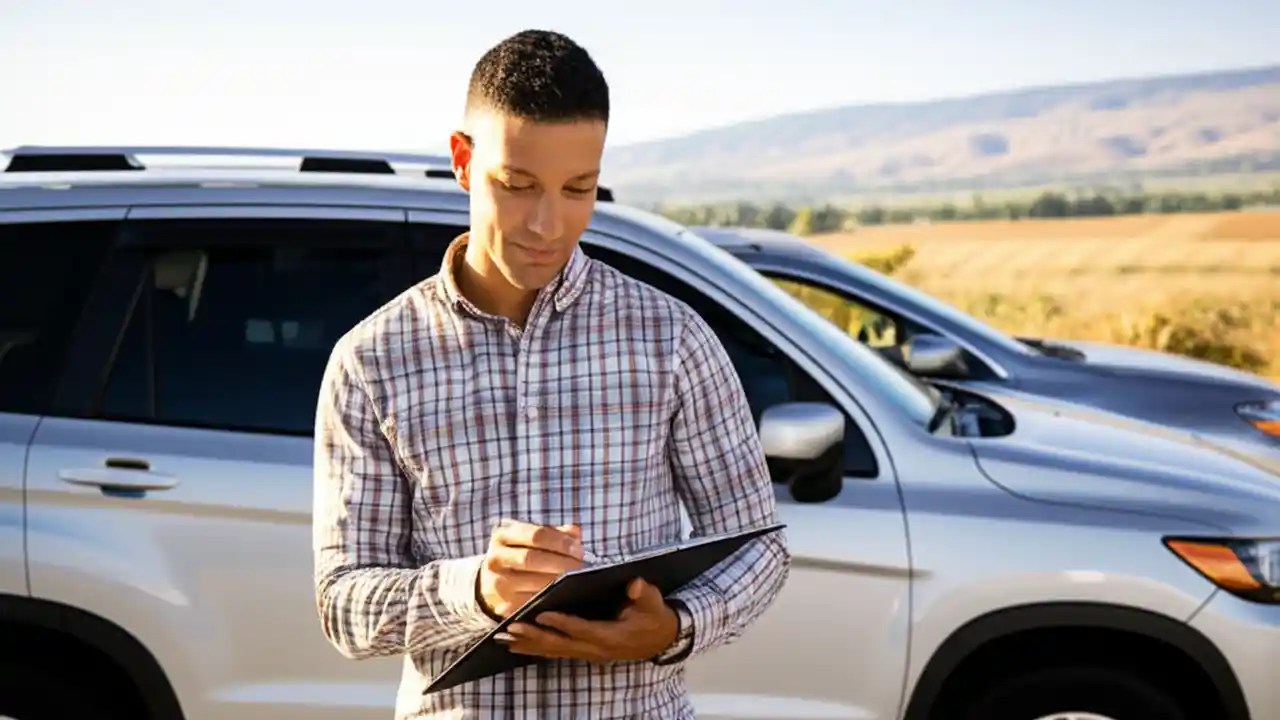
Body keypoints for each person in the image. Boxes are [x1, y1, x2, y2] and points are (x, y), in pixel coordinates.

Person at [312, 28, 790, 719]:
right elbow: (342, 605)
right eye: (518, 185)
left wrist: (676, 627)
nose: (548, 224)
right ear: (462, 161)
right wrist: (474, 591)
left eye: (578, 189)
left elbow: (759, 546)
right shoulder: (371, 361)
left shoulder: (673, 338)